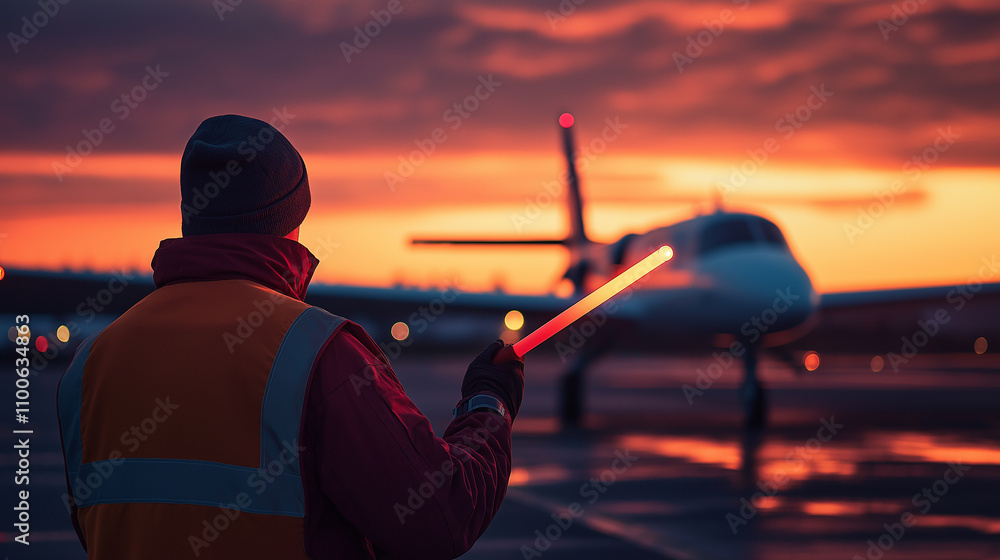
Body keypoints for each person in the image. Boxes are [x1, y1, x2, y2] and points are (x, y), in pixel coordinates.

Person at [57, 114, 525, 559]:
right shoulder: (316, 350)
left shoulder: (90, 362)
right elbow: (437, 515)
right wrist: (489, 404)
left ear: (189, 217)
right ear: (291, 221)